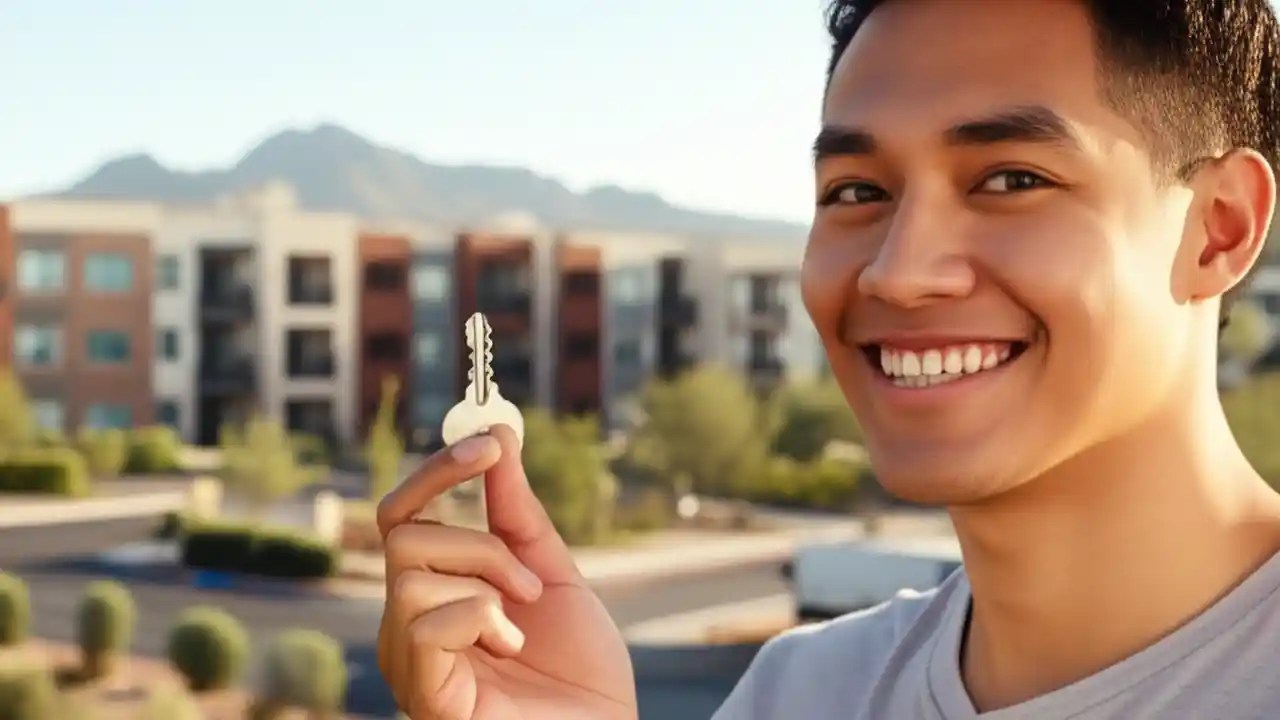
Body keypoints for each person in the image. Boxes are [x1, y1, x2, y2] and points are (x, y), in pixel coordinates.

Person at [374, 0, 1280, 717]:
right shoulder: (799, 694)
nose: (898, 272)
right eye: (856, 191)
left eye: (1012, 180)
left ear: (1220, 228)